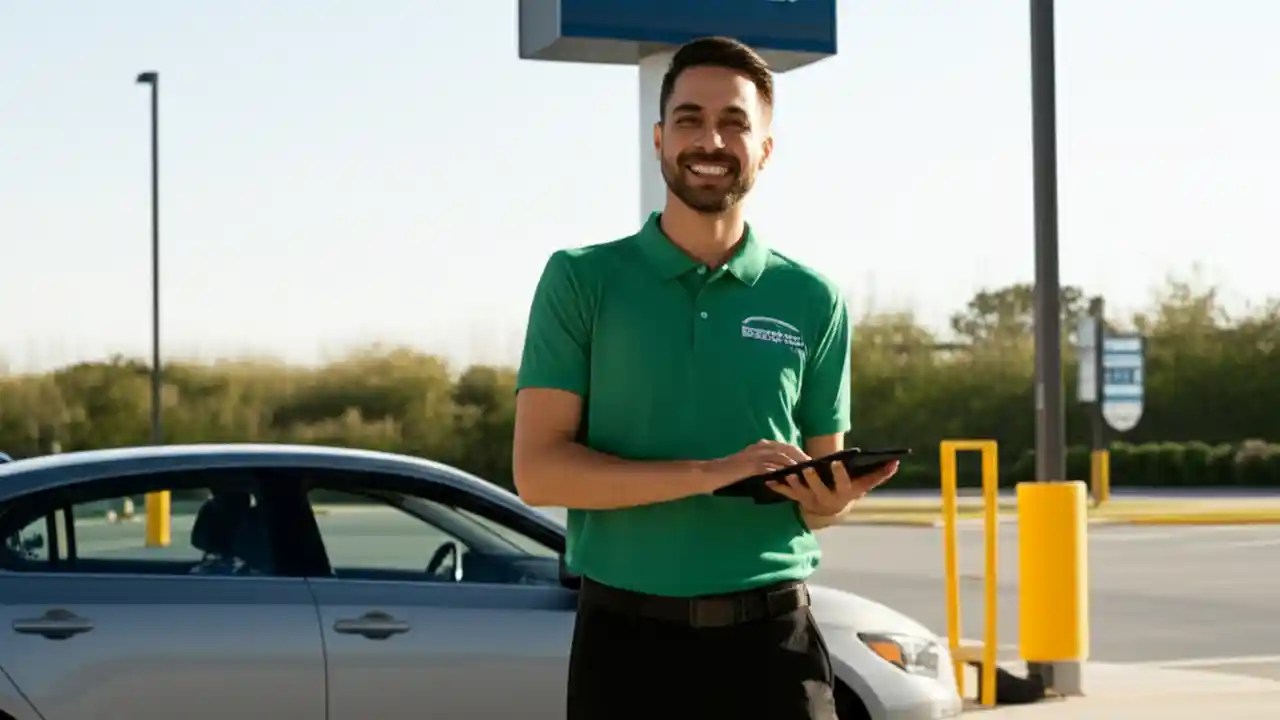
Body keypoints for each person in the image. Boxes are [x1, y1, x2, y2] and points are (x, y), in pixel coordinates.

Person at [512, 36, 899, 719]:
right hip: (627, 650)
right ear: (660, 139)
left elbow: (817, 493)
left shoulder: (813, 299)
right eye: (690, 119)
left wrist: (831, 498)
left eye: (735, 123)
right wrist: (710, 473)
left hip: (774, 646)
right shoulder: (581, 279)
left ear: (765, 150)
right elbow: (541, 473)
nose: (711, 139)